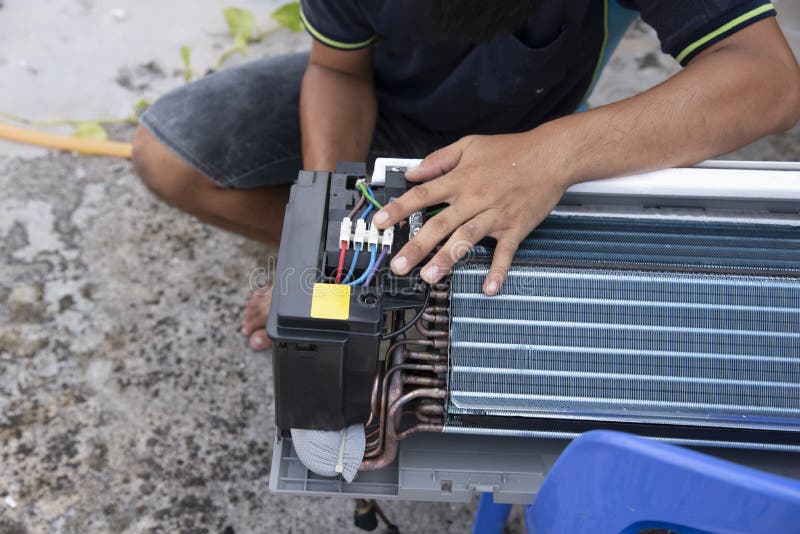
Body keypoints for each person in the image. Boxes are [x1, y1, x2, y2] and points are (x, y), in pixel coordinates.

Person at [131, 0, 800, 351]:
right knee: (170, 158)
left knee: (557, 328)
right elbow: (338, 71)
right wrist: (327, 236)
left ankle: (430, 272)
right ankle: (384, 268)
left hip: (532, 129)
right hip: (390, 107)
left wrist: (549, 155)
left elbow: (766, 81)